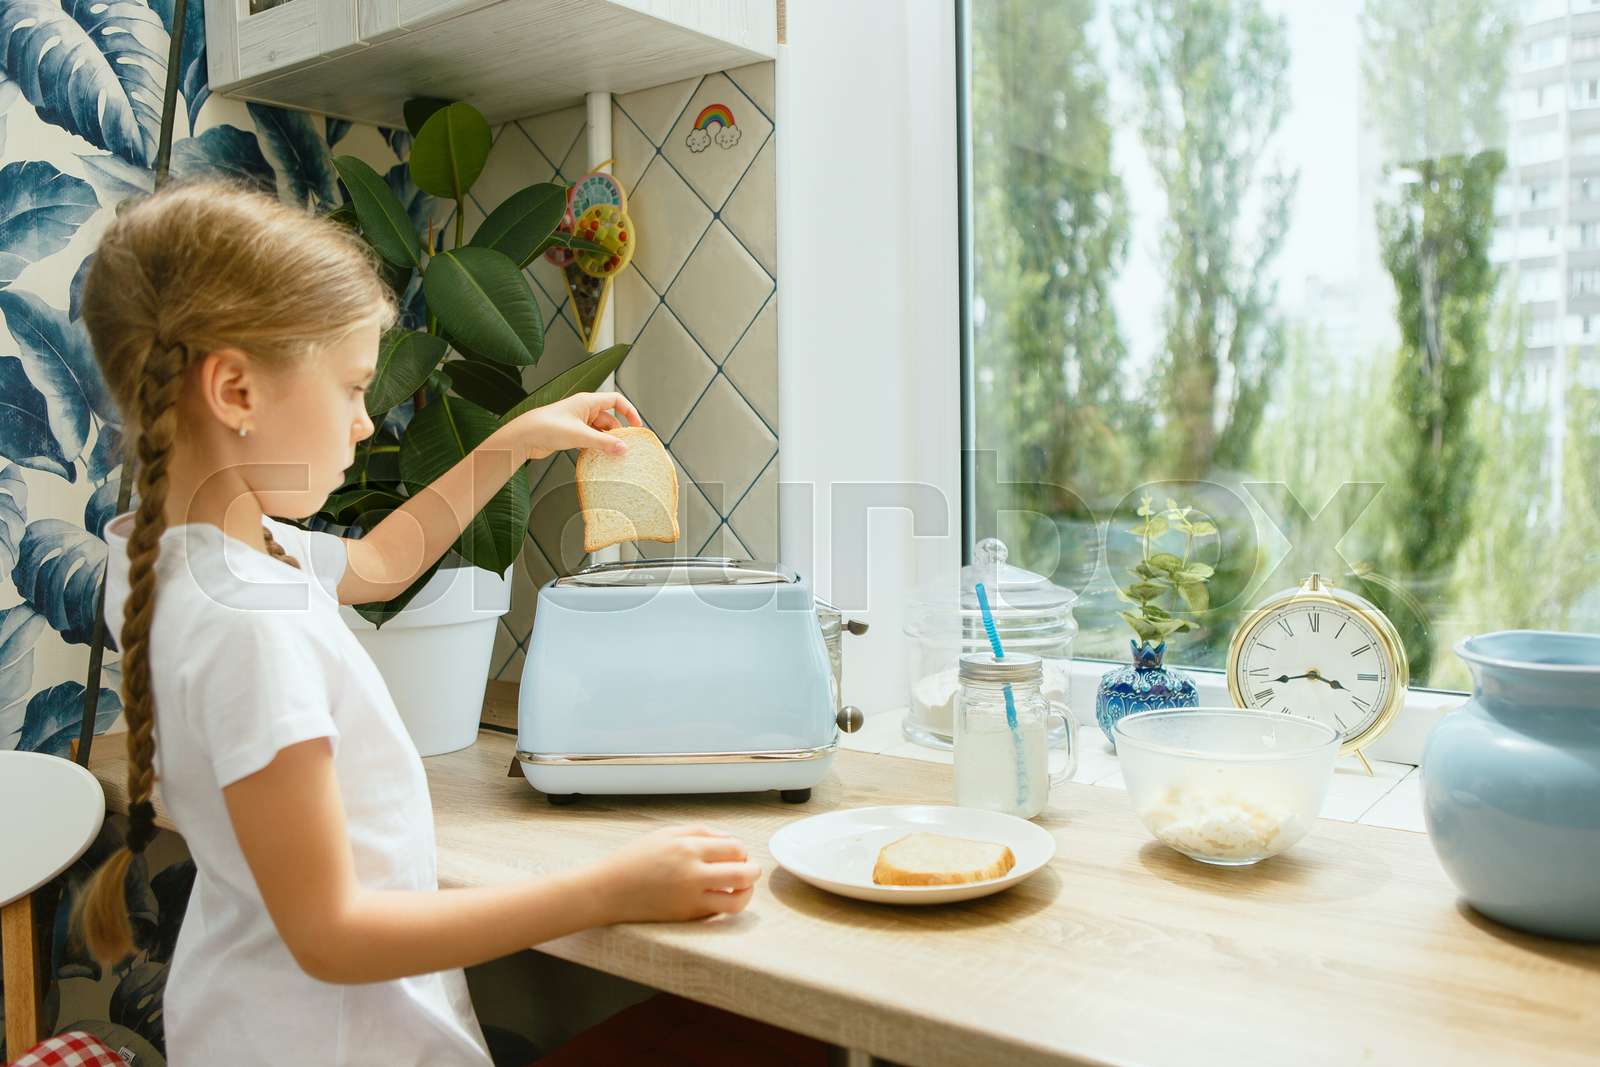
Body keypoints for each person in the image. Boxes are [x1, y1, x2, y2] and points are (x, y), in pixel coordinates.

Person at [76, 181, 762, 1064]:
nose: (367, 421)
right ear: (235, 389)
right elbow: (334, 933)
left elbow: (374, 567)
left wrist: (512, 441)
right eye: (354, 385)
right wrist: (605, 888)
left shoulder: (176, 558)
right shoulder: (250, 623)